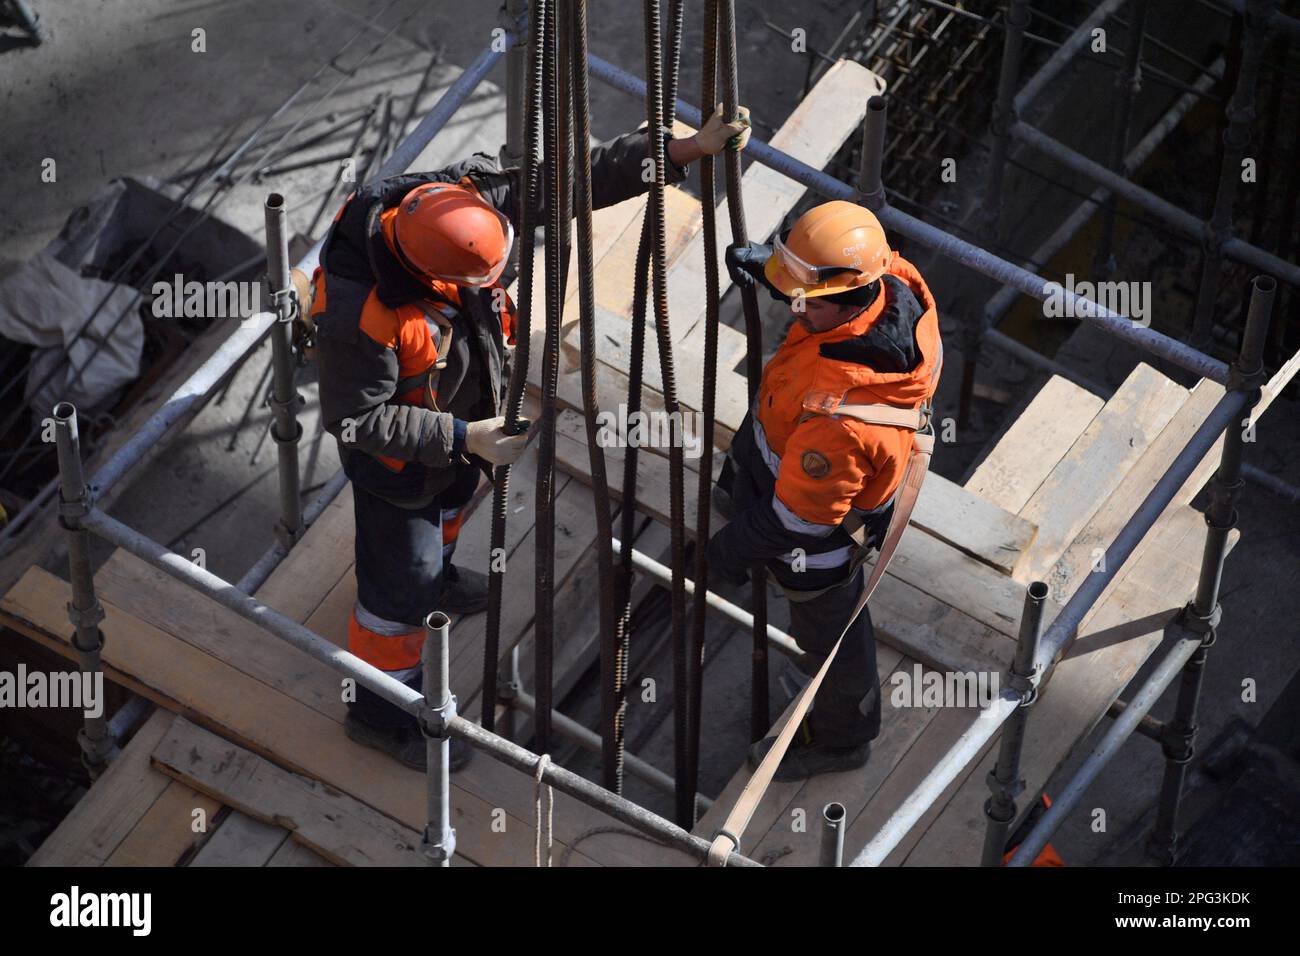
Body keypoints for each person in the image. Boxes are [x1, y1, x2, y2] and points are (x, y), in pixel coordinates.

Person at [308, 106, 752, 770]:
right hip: (400, 464)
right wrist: (464, 435)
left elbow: (572, 179)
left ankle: (437, 578)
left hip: (460, 427)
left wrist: (681, 151)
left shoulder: (460, 200)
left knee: (451, 508)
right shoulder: (359, 315)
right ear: (434, 278)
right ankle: (381, 715)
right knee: (395, 599)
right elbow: (357, 420)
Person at [707, 200, 943, 780]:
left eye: (805, 299)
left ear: (847, 299)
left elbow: (798, 522)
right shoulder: (891, 279)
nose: (795, 306)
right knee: (750, 475)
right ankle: (740, 497)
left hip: (816, 533)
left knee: (829, 632)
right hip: (783, 440)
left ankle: (843, 739)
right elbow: (829, 283)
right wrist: (775, 272)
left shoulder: (842, 423)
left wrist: (727, 553)